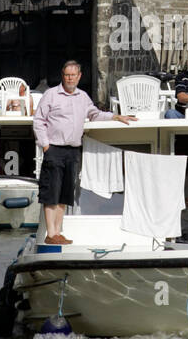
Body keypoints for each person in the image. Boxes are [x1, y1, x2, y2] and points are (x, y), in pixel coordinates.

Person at [33, 60, 136, 244]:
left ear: (79, 76)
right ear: (62, 76)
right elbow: (39, 121)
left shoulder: (83, 97)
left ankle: (57, 232)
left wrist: (115, 116)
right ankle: (50, 233)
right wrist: (45, 145)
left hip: (73, 150)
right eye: (67, 75)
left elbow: (94, 113)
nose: (70, 78)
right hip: (54, 148)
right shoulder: (51, 95)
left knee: (64, 194)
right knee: (51, 192)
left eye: (73, 75)